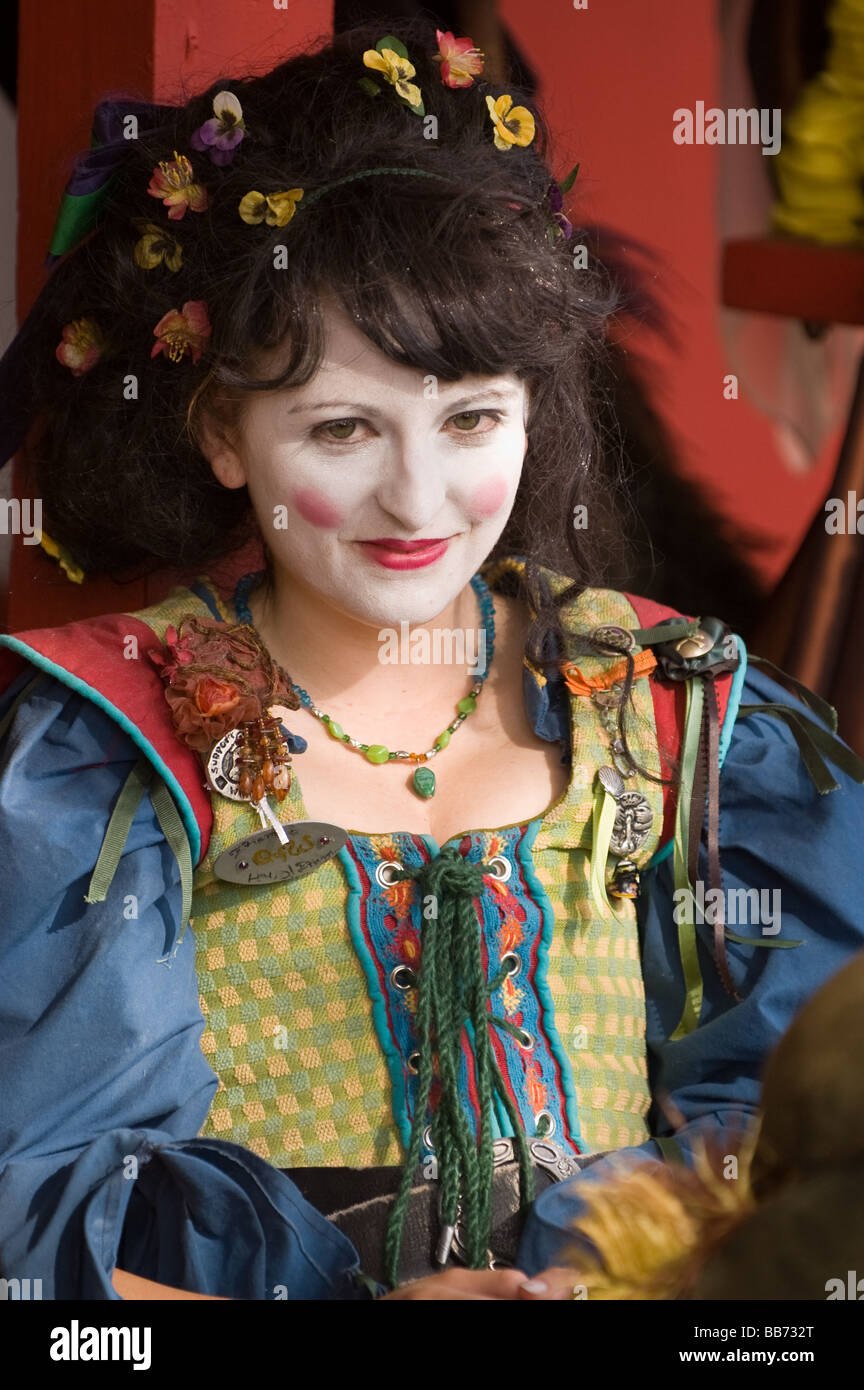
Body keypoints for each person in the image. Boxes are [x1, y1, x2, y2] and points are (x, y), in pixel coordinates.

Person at [1, 19, 863, 1302]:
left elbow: (809, 1186)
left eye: (470, 418)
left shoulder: (682, 718)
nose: (419, 499)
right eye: (342, 428)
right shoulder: (110, 753)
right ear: (224, 433)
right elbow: (44, 1274)